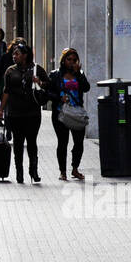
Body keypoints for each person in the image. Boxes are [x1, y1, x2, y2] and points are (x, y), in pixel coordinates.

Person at [0, 41, 49, 184]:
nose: (14, 56)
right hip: (15, 113)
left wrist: (39, 82)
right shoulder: (10, 71)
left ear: (25, 55)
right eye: (13, 53)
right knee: (18, 143)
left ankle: (34, 171)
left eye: (17, 54)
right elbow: (6, 91)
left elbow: (48, 85)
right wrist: (1, 109)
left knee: (32, 142)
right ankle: (19, 172)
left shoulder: (37, 69)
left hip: (32, 113)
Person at [48, 48, 91, 181]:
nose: (71, 62)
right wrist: (59, 98)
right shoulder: (55, 75)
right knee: (63, 142)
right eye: (69, 59)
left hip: (76, 112)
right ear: (63, 60)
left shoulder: (79, 74)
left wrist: (79, 73)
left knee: (79, 142)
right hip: (60, 114)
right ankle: (62, 171)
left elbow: (86, 88)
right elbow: (48, 93)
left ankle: (75, 168)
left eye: (74, 60)